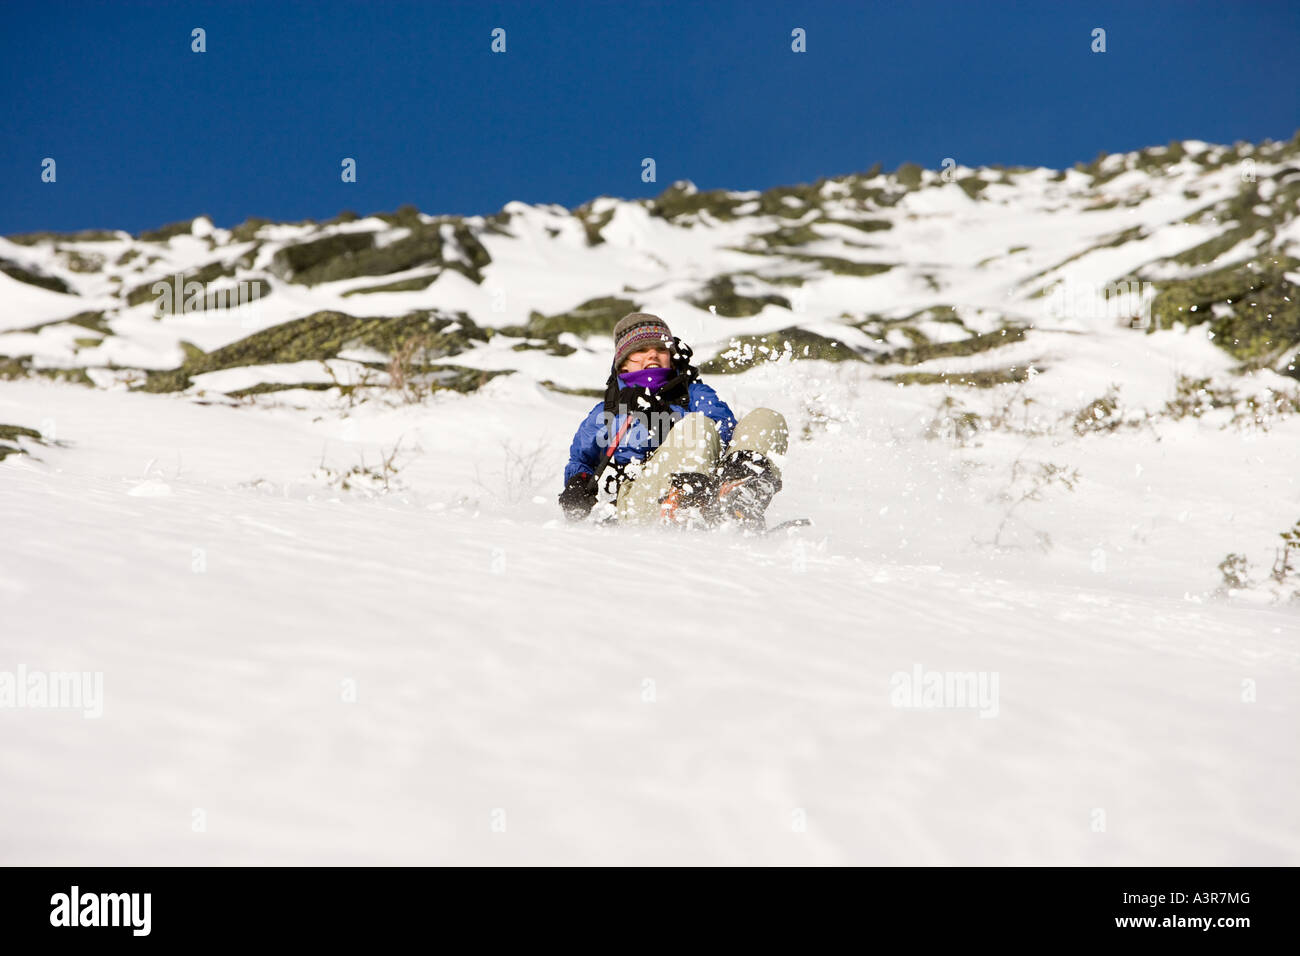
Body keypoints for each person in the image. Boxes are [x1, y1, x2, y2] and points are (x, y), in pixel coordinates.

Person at [557, 312, 789, 530]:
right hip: (641, 499)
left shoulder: (694, 394)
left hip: (710, 486)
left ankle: (740, 500)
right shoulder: (609, 412)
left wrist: (666, 418)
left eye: (660, 348)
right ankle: (684, 507)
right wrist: (577, 485)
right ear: (623, 363)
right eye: (641, 350)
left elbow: (723, 426)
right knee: (696, 426)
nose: (653, 354)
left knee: (767, 418)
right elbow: (581, 459)